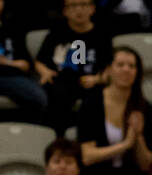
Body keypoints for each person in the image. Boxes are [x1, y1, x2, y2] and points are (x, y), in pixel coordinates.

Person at [77, 46, 152, 175]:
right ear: (109, 70)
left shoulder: (145, 108)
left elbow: (145, 164)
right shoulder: (91, 104)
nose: (126, 70)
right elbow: (87, 156)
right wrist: (125, 145)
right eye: (120, 65)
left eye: (131, 66)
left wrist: (138, 137)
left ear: (137, 73)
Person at [35, 0, 112, 136]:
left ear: (92, 8)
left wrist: (97, 79)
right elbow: (39, 61)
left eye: (84, 5)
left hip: (90, 83)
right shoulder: (57, 32)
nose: (79, 10)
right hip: (61, 82)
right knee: (54, 96)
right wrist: (45, 72)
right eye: (73, 5)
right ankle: (54, 138)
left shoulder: (102, 34)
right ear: (65, 11)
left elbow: (110, 68)